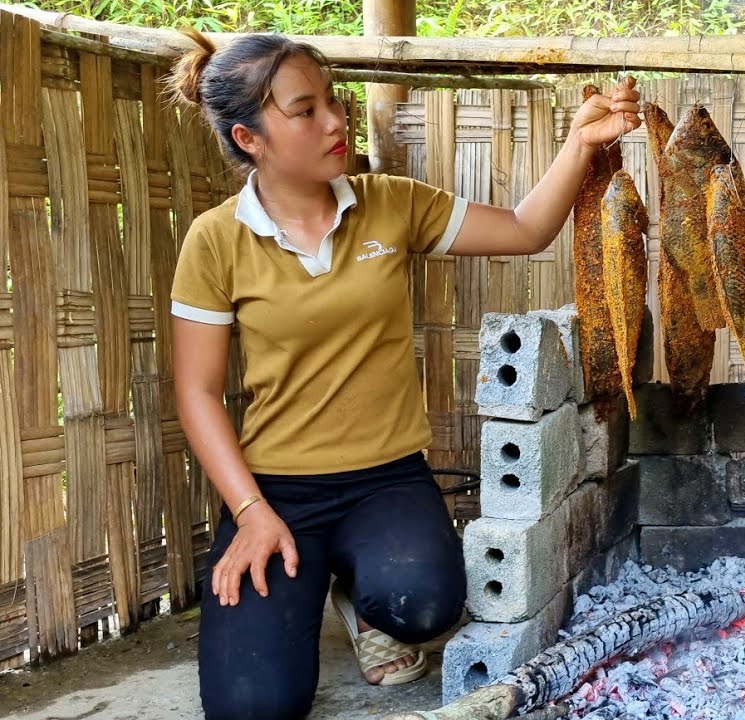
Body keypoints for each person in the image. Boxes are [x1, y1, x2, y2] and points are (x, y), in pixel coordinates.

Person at [165, 27, 640, 720]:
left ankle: (364, 602)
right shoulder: (215, 239)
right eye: (305, 111)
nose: (336, 121)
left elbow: (524, 230)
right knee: (253, 708)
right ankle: (312, 580)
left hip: (387, 479)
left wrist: (580, 143)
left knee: (423, 604)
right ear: (249, 139)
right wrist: (251, 513)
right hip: (275, 493)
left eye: (333, 100)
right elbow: (197, 392)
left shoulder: (388, 203)